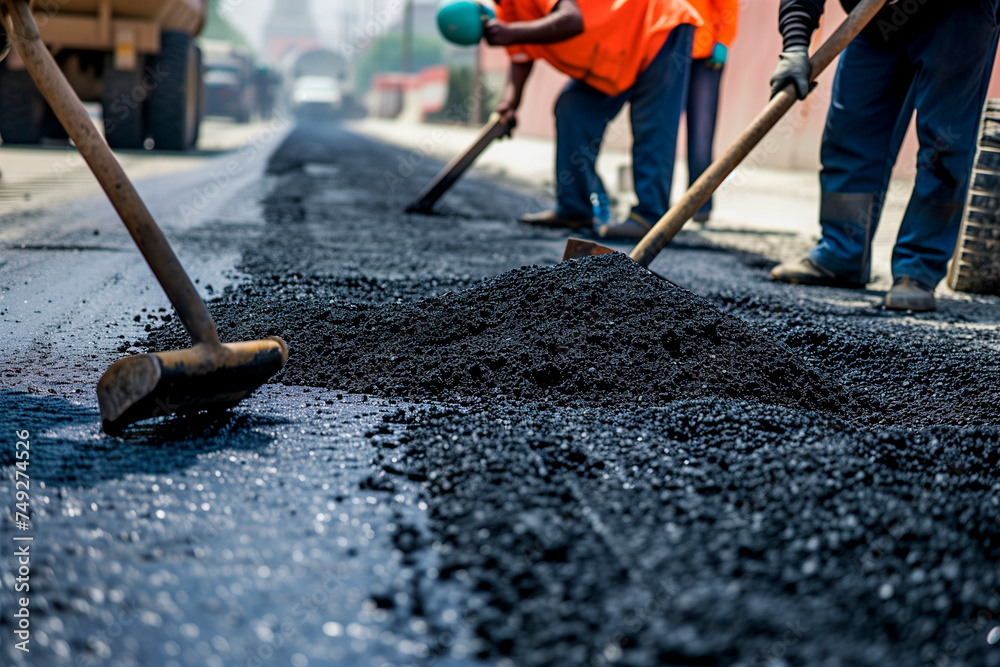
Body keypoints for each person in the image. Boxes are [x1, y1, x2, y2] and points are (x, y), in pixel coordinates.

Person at [768, 0, 1000, 312]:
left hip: (958, 16)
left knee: (943, 147)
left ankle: (917, 269)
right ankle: (842, 252)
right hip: (875, 18)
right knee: (851, 130)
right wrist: (795, 44)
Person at [484, 0, 702, 239]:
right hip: (614, 50)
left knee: (653, 125)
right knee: (573, 109)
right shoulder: (506, 9)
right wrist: (511, 103)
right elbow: (521, 55)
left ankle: (649, 217)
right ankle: (575, 209)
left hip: (658, 25)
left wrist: (511, 33)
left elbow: (571, 19)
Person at [685, 0, 738, 224]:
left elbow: (729, 5)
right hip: (666, 50)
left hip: (705, 53)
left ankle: (700, 205)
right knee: (659, 130)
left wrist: (723, 40)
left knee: (701, 133)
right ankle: (654, 206)